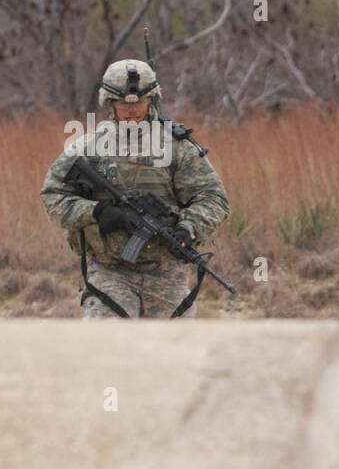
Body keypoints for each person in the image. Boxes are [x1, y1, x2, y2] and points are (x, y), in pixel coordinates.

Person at [40, 59, 229, 319]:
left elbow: (214, 198)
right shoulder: (88, 148)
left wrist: (189, 227)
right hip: (109, 272)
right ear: (109, 103)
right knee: (107, 349)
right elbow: (53, 196)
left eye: (139, 103)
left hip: (167, 273)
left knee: (176, 353)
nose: (132, 110)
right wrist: (96, 212)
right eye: (123, 103)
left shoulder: (177, 147)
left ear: (151, 101)